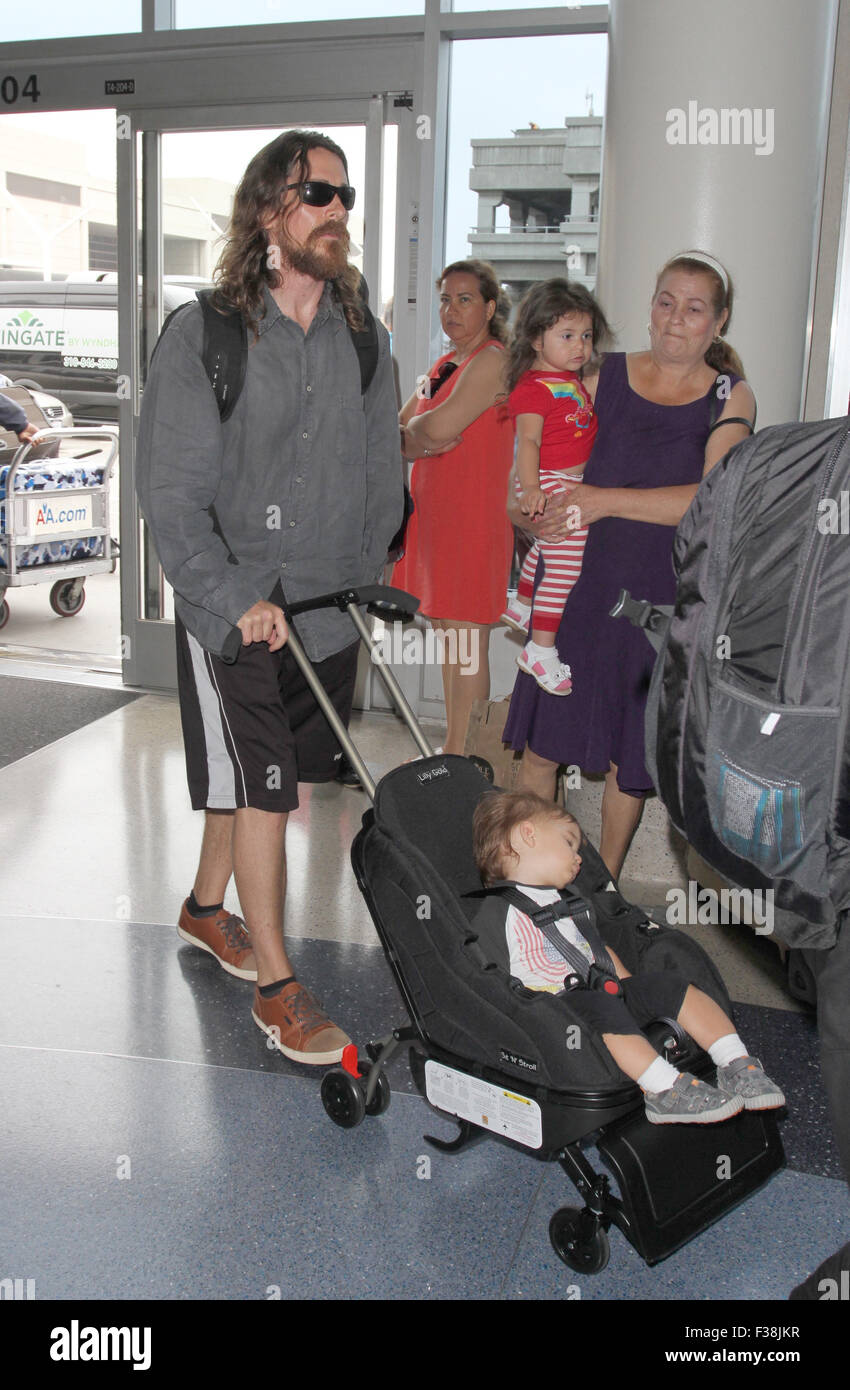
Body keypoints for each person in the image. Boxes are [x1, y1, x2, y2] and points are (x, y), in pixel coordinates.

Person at [136, 130, 402, 1064]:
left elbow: (383, 473)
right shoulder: (205, 332)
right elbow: (170, 496)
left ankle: (207, 909)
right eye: (316, 193)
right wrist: (230, 595)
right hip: (236, 613)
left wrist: (365, 571)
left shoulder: (364, 337)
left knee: (259, 775)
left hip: (326, 608)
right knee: (265, 791)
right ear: (267, 211)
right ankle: (282, 990)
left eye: (345, 195)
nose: (336, 210)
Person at [504, 250, 756, 879]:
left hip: (659, 605)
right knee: (542, 747)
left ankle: (604, 888)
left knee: (630, 763)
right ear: (649, 307)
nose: (676, 319)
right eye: (665, 301)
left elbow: (712, 501)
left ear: (718, 322)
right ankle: (534, 884)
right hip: (577, 590)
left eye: (695, 308)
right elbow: (530, 468)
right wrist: (529, 511)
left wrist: (602, 502)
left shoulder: (730, 395)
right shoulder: (599, 374)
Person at [472, 790, 786, 1125]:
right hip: (556, 1010)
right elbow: (487, 976)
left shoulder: (570, 901)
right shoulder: (496, 910)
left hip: (599, 992)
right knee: (601, 1005)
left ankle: (736, 1063)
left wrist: (628, 988)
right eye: (568, 844)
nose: (578, 859)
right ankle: (664, 1089)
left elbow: (596, 949)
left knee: (672, 985)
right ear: (527, 835)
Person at [391, 260, 514, 755]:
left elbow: (434, 429)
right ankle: (455, 750)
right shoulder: (441, 367)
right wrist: (420, 440)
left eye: (465, 299)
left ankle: (465, 761)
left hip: (472, 522)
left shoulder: (493, 359)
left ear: (489, 307)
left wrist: (420, 438)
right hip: (436, 522)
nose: (452, 309)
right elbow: (396, 433)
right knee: (451, 640)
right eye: (445, 299)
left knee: (466, 643)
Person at [500, 280, 611, 696]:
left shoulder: (568, 378)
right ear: (535, 338)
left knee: (548, 546)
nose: (579, 345)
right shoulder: (535, 388)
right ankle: (541, 650)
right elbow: (527, 441)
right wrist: (530, 488)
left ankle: (523, 601)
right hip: (550, 480)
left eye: (585, 336)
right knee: (566, 568)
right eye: (566, 336)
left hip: (566, 479)